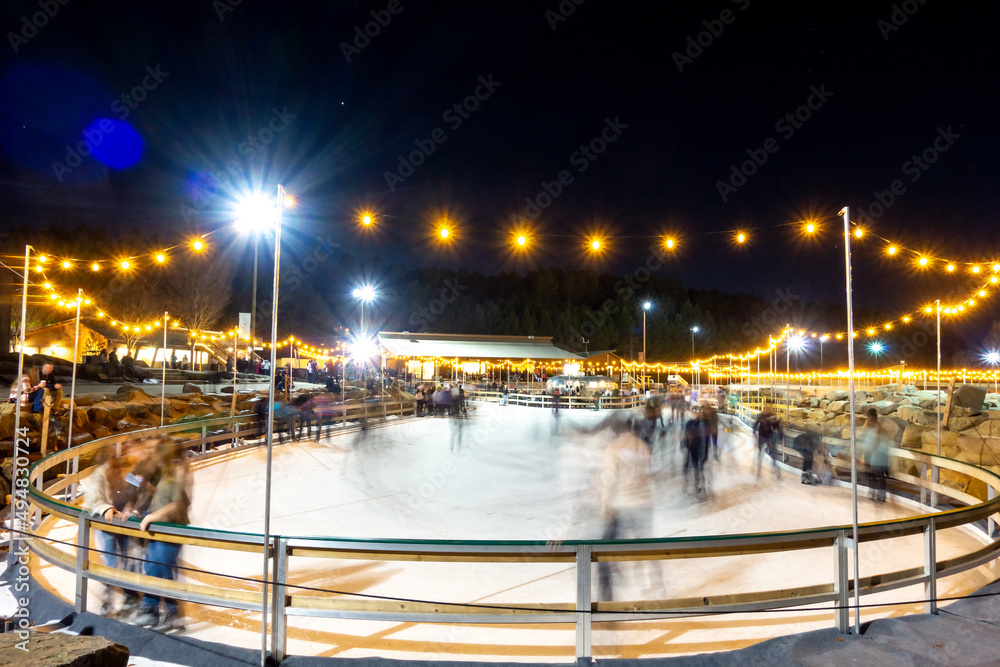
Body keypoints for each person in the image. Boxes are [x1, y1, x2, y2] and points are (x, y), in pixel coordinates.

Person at [134, 440, 191, 632]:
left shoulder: (176, 475)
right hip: (157, 528)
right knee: (151, 566)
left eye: (154, 453)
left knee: (164, 570)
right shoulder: (165, 475)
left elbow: (177, 504)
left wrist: (153, 515)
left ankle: (173, 612)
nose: (150, 455)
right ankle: (149, 608)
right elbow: (159, 492)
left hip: (171, 529)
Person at [863, 408, 891, 501]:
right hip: (874, 457)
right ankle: (876, 494)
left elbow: (875, 444)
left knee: (877, 475)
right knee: (874, 476)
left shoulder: (878, 430)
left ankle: (878, 494)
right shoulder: (870, 429)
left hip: (879, 457)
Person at [753, 407, 782, 480]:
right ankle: (758, 472)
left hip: (769, 437)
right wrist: (754, 431)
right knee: (760, 454)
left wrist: (780, 434)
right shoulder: (761, 416)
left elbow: (777, 426)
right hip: (762, 437)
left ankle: (776, 471)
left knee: (773, 455)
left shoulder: (771, 416)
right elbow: (756, 424)